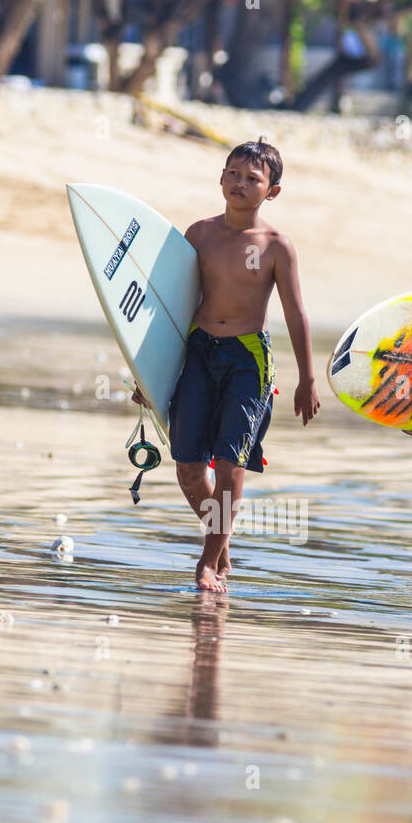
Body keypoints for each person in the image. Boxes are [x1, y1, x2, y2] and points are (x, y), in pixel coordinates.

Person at [135, 137, 320, 593]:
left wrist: (307, 379)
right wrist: (149, 373)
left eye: (253, 178)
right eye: (233, 174)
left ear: (272, 191)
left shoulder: (276, 246)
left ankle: (207, 561)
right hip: (198, 351)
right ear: (220, 177)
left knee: (229, 460)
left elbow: (296, 314)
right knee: (189, 467)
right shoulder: (198, 234)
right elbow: (169, 306)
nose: (240, 183)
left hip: (247, 359)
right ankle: (221, 546)